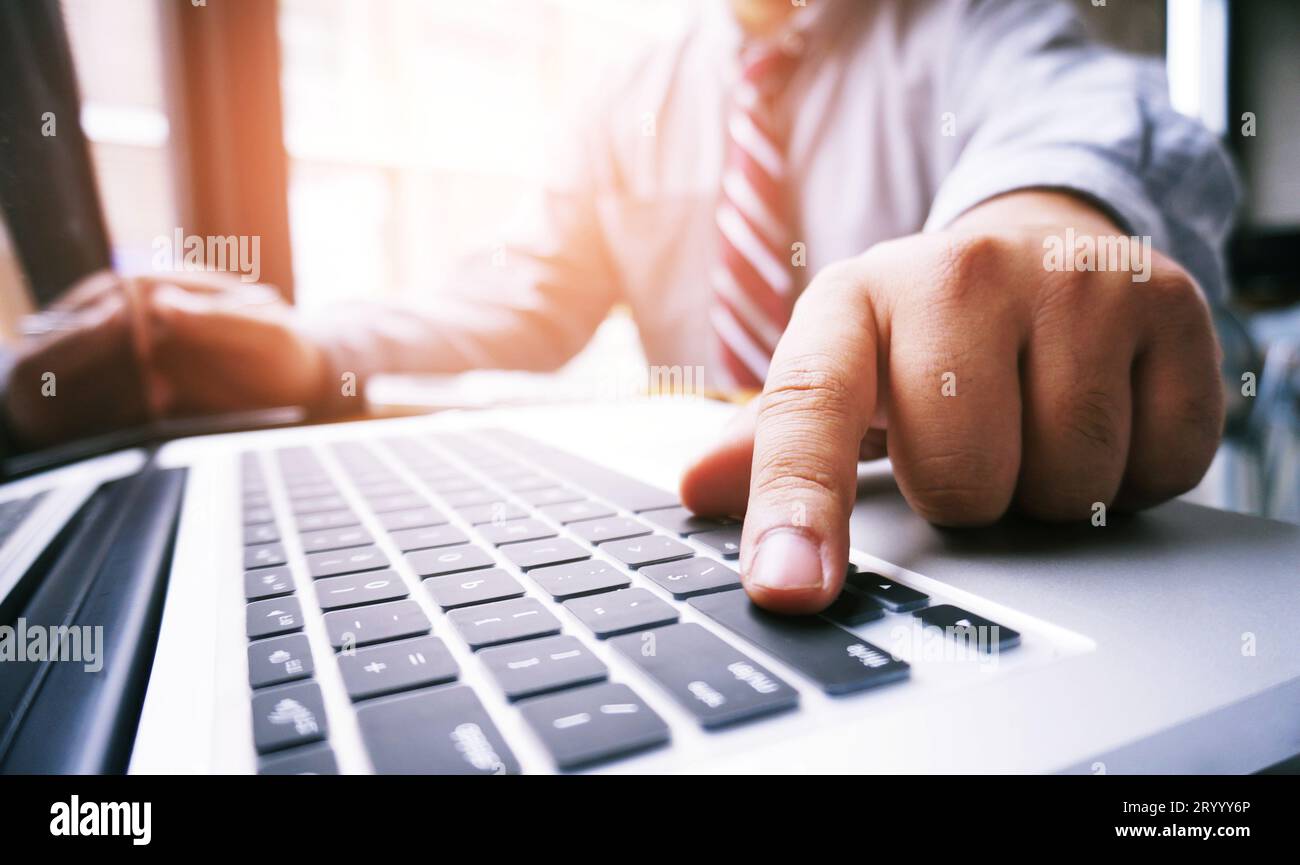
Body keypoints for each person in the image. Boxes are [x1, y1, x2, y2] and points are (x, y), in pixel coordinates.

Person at [2, 0, 1238, 614]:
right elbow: (516, 303)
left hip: (977, 564)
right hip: (714, 549)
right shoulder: (636, 85)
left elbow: (1087, 119)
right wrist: (295, 348)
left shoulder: (973, 24)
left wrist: (1041, 223)